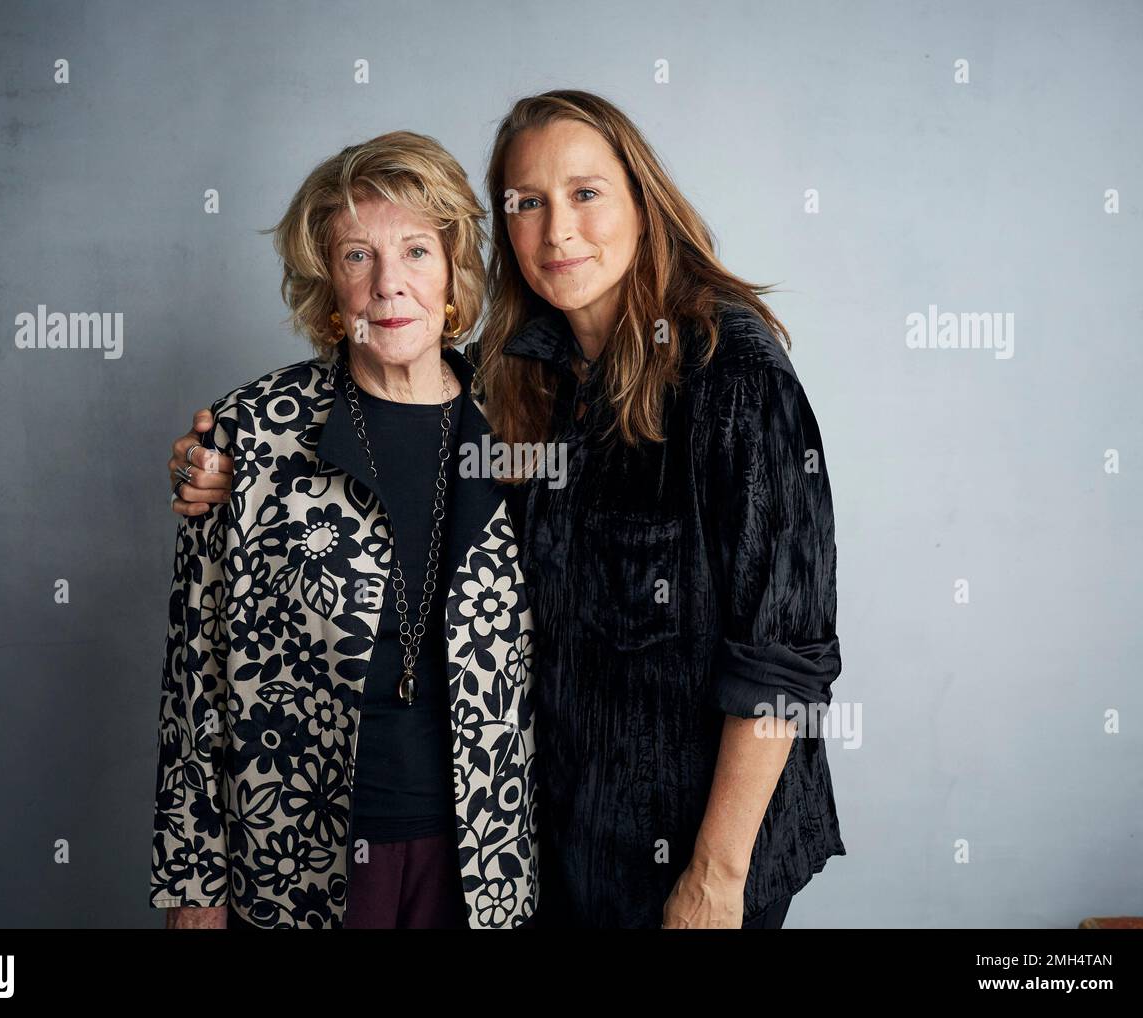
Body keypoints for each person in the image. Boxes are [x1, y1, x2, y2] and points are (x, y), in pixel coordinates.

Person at [168, 90, 846, 929]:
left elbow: (786, 660)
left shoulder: (730, 376)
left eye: (586, 193)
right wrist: (218, 466)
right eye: (526, 203)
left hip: (691, 862)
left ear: (643, 199)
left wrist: (713, 876)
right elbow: (199, 679)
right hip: (544, 857)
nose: (557, 231)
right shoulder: (526, 383)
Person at [152, 131, 539, 930]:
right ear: (330, 285)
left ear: (455, 274)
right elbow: (195, 679)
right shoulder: (251, 435)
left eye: (418, 253)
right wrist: (194, 886)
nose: (390, 285)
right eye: (359, 256)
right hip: (296, 854)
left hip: (487, 854)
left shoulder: (522, 428)